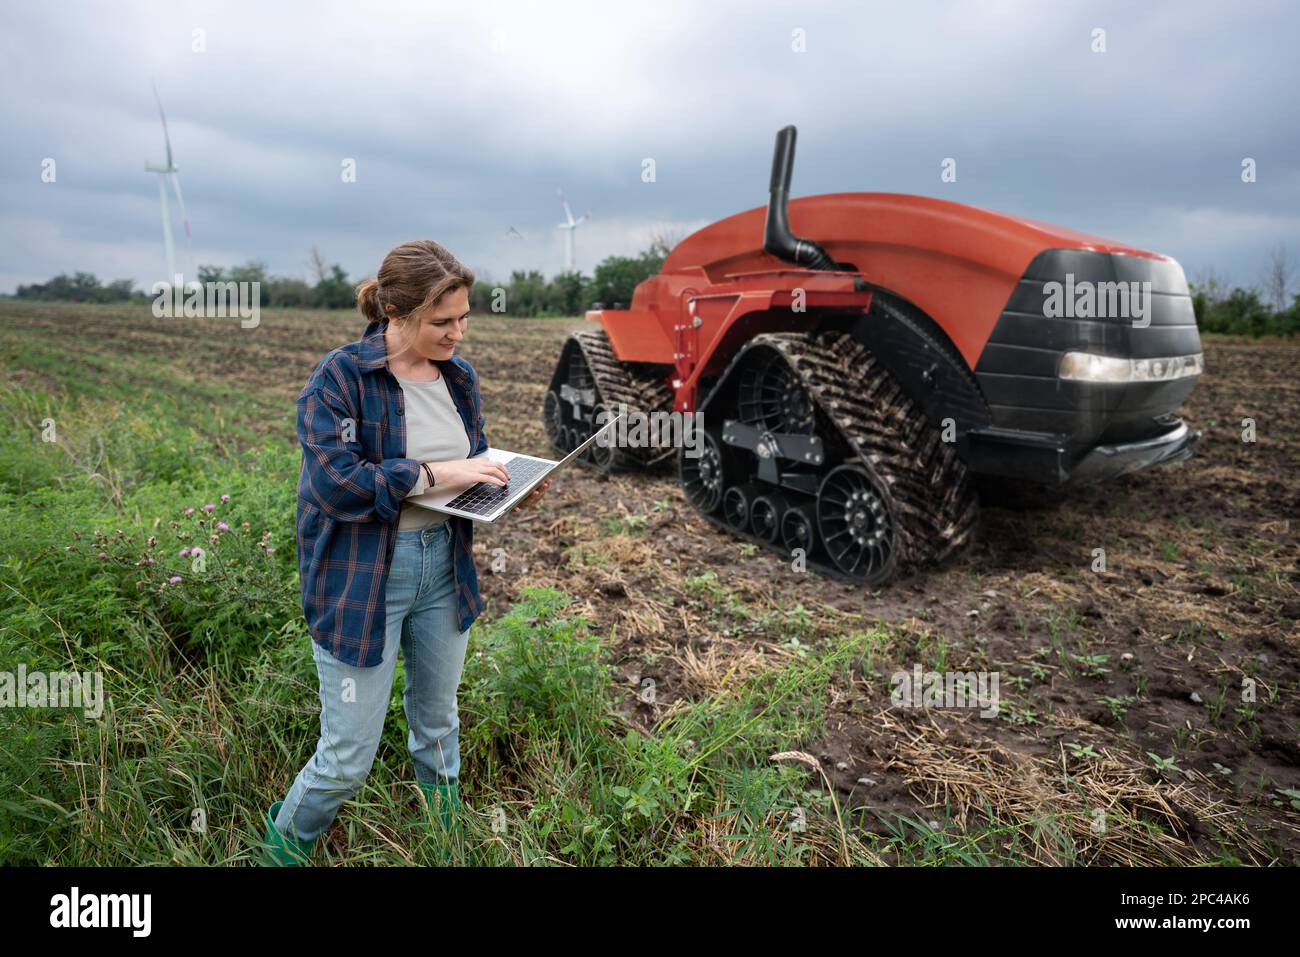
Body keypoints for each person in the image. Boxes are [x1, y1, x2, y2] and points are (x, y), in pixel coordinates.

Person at [260, 239, 550, 865]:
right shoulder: (340, 379)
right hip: (364, 577)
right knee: (346, 758)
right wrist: (439, 473)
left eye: (464, 316)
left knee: (440, 728)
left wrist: (501, 486)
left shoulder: (458, 377)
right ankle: (282, 851)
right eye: (441, 321)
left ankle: (446, 844)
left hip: (443, 567)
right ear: (395, 311)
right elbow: (337, 484)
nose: (458, 332)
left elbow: (471, 458)